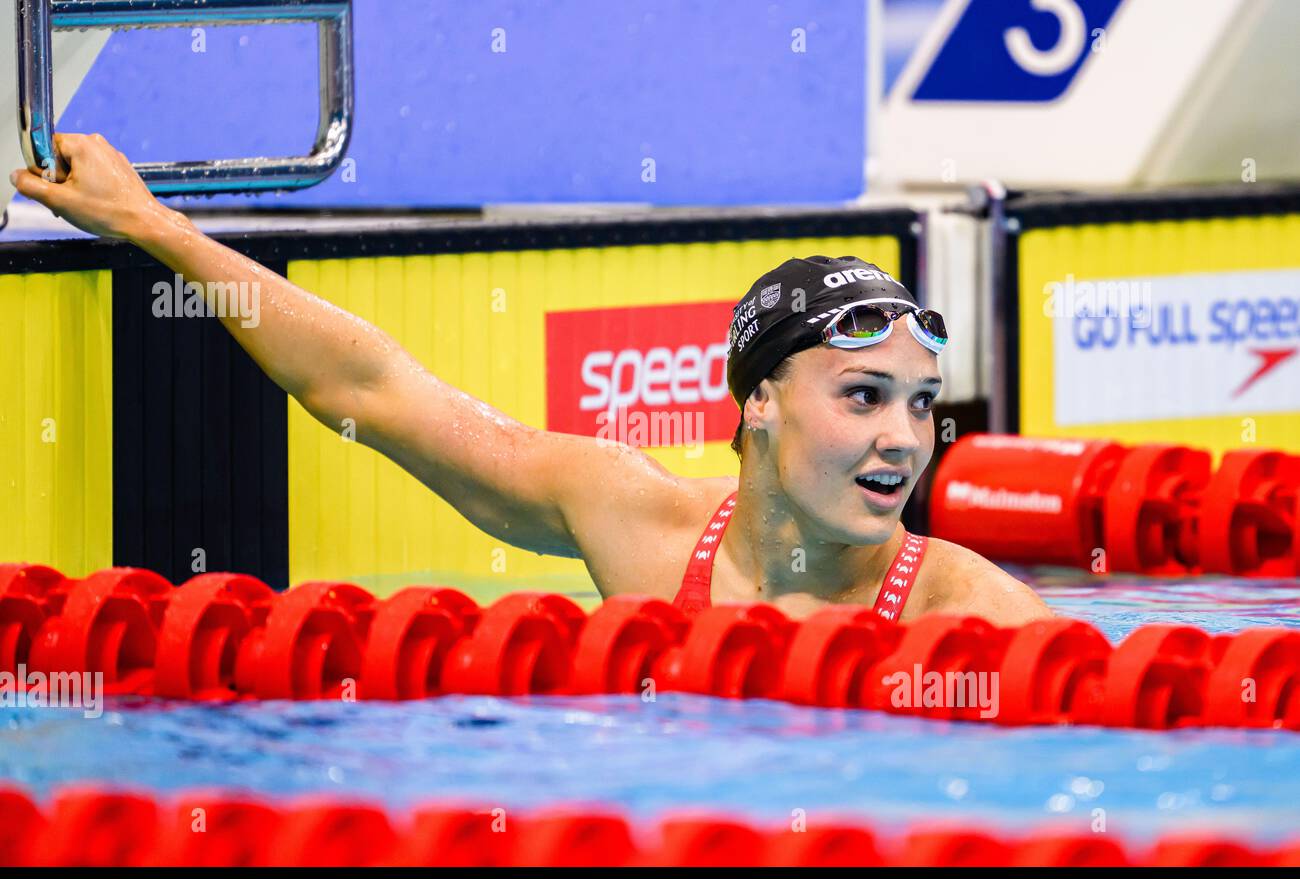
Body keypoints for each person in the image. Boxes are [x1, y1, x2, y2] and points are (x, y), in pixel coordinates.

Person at [12, 133, 1053, 626]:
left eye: (919, 403)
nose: (903, 439)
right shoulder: (633, 520)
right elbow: (371, 389)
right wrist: (151, 225)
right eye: (861, 396)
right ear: (760, 403)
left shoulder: (969, 613)